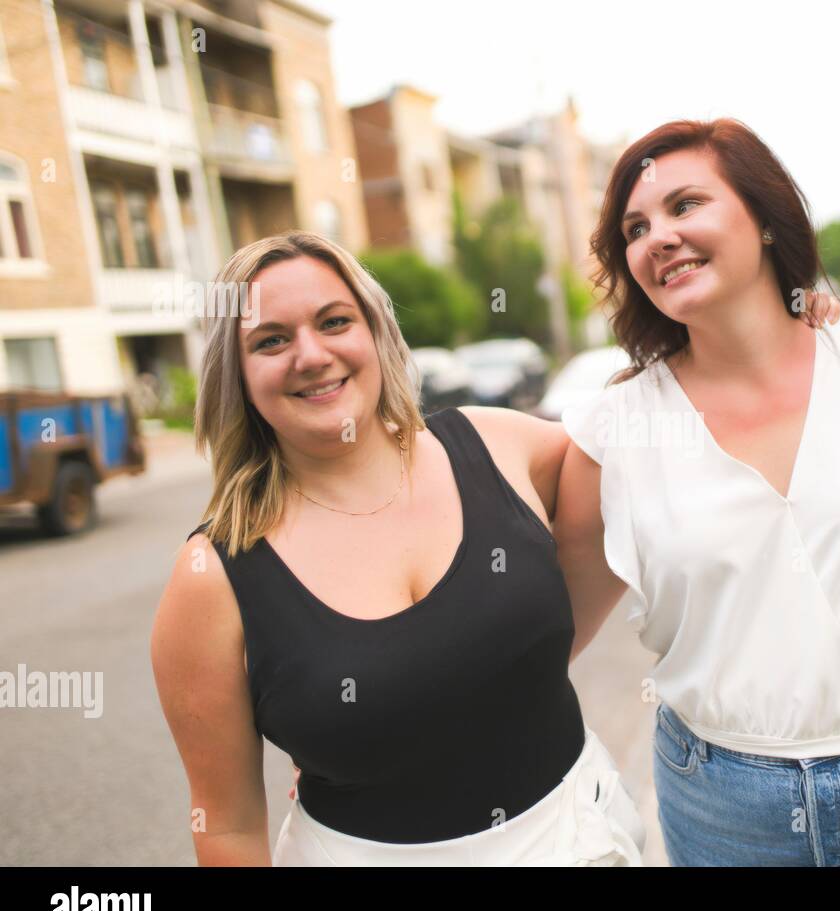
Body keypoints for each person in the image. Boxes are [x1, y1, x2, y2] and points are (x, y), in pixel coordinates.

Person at [554, 118, 840, 866]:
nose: (657, 236)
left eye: (685, 205)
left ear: (762, 218)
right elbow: (544, 634)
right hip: (724, 809)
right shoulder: (616, 431)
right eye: (636, 226)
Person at [150, 231, 647, 866]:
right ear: (238, 375)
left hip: (577, 839)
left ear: (377, 333)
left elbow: (641, 429)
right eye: (271, 339)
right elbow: (224, 825)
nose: (311, 354)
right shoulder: (212, 575)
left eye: (335, 321)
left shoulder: (498, 446)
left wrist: (800, 319)